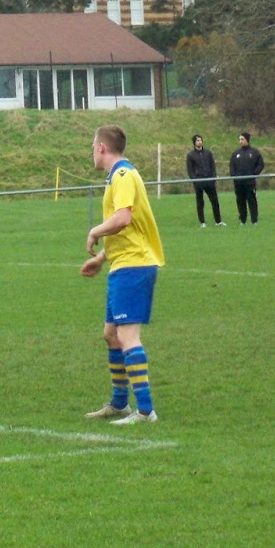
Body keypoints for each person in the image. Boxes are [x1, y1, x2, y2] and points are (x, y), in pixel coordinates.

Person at [82, 124, 165, 425]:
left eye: (93, 146)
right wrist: (103, 257)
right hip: (121, 263)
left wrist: (95, 231)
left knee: (127, 336)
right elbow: (129, 229)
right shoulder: (115, 178)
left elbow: (123, 218)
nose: (92, 151)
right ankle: (120, 404)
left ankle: (145, 410)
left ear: (102, 147)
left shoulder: (123, 175)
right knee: (111, 334)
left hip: (134, 265)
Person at [185, 135, 224, 228]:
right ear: (194, 142)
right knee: (200, 202)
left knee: (215, 201)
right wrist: (195, 180)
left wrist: (213, 178)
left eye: (200, 140)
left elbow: (213, 166)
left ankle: (218, 221)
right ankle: (202, 222)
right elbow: (190, 170)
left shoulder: (208, 153)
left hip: (209, 181)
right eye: (197, 140)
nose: (199, 142)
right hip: (199, 182)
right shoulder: (190, 155)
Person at [229, 132, 265, 226]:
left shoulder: (254, 152)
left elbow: (260, 164)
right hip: (239, 184)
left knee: (252, 201)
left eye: (242, 139)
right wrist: (234, 176)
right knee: (240, 202)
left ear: (247, 140)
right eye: (239, 139)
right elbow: (232, 166)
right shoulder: (236, 153)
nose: (240, 141)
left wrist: (254, 174)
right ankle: (243, 220)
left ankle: (254, 220)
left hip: (249, 183)